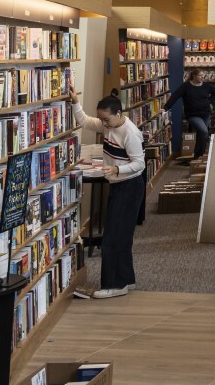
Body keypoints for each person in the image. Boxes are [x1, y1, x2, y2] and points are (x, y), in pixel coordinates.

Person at [70, 91, 146, 298]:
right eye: (102, 119)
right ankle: (126, 280)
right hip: (119, 185)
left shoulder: (130, 133)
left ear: (119, 114)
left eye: (106, 119)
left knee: (113, 236)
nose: (104, 123)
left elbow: (140, 164)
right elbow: (84, 120)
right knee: (121, 236)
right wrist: (76, 102)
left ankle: (113, 285)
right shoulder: (109, 125)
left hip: (129, 186)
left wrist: (117, 170)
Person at [163, 69, 215, 161]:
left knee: (202, 135)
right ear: (194, 76)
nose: (202, 77)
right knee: (204, 131)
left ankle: (198, 156)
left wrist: (209, 102)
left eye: (203, 76)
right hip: (193, 115)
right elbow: (175, 96)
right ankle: (198, 155)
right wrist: (166, 107)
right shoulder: (186, 86)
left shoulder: (206, 86)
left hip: (205, 114)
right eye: (200, 75)